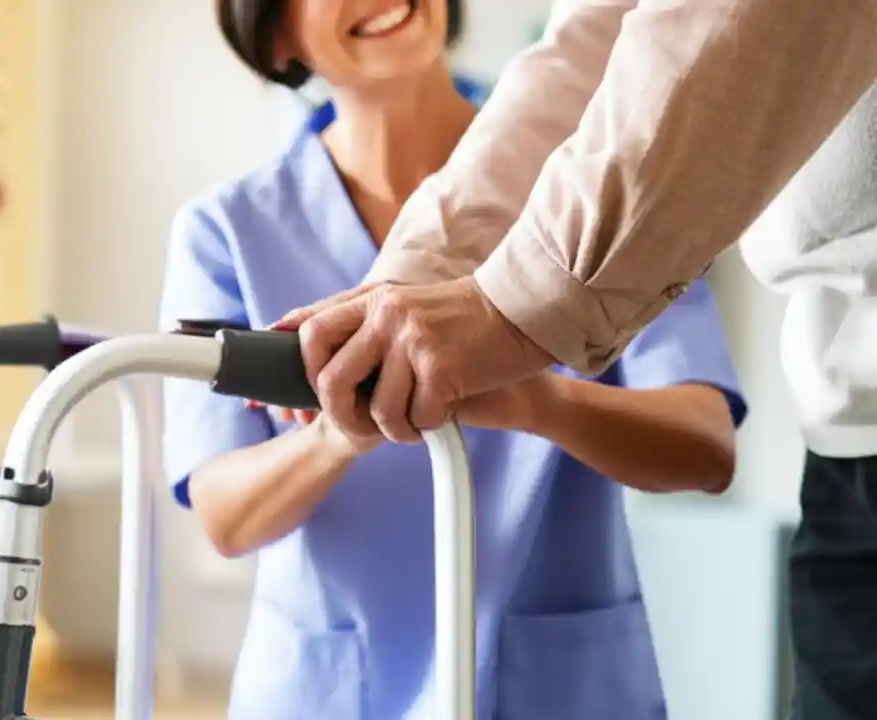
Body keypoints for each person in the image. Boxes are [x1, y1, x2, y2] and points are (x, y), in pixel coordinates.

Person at [274, 2, 877, 718]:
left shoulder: (631, 230)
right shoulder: (237, 219)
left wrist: (514, 326)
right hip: (848, 434)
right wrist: (413, 276)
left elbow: (705, 444)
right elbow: (595, 50)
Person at [159, 1, 746, 717]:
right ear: (271, 33)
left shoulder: (594, 184)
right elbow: (224, 514)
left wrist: (532, 398)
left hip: (555, 687)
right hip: (334, 690)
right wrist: (339, 432)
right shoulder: (227, 230)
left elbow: (706, 447)